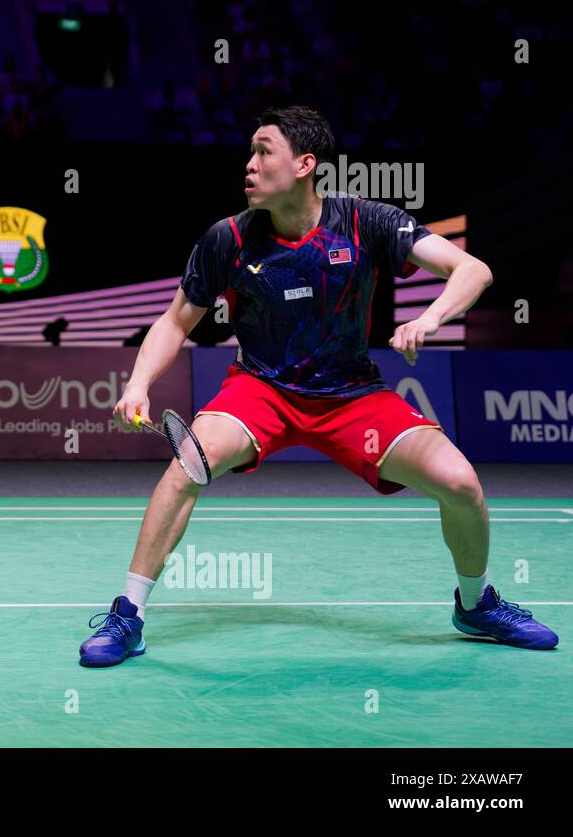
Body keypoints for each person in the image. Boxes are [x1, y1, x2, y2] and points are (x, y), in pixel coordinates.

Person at [80, 105, 557, 667]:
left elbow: (472, 270)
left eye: (264, 151)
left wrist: (429, 319)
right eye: (251, 152)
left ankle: (476, 605)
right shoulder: (228, 238)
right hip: (261, 391)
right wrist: (138, 382)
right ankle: (128, 615)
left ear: (305, 164)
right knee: (188, 465)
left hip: (353, 396)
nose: (249, 164)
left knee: (461, 483)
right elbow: (174, 321)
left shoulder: (367, 221)